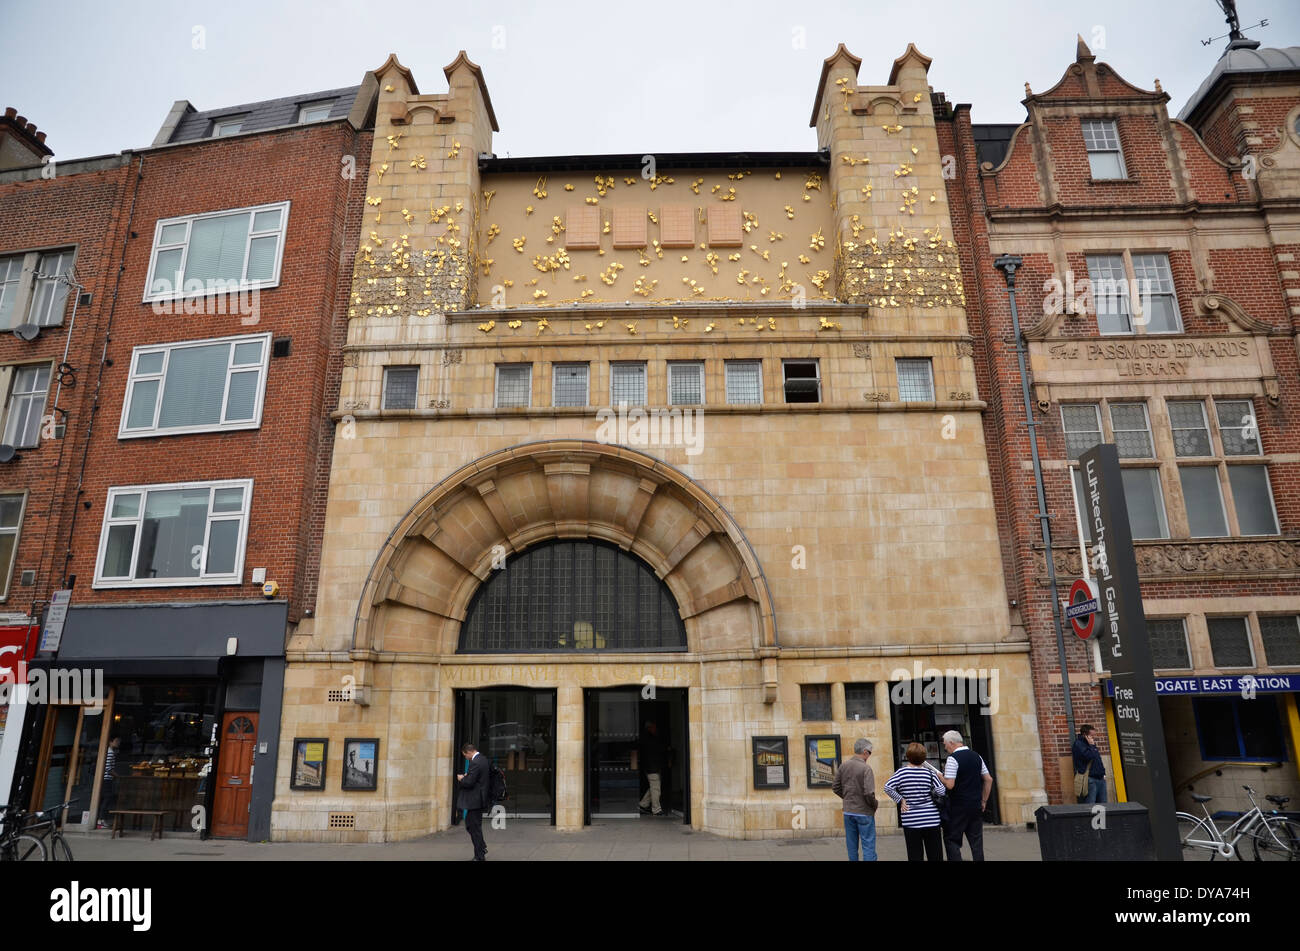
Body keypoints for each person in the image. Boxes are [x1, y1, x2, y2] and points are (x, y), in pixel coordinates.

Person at [883, 742, 946, 862]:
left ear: (908, 756)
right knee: (935, 854)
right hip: (931, 818)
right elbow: (941, 791)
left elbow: (888, 787)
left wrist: (901, 799)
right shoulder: (930, 773)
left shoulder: (901, 773)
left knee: (914, 854)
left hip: (911, 819)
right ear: (923, 757)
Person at [939, 730, 992, 861]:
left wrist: (941, 777)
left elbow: (950, 785)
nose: (945, 747)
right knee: (976, 843)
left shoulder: (952, 759)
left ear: (951, 743)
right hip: (975, 804)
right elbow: (988, 779)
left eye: (945, 744)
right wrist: (984, 800)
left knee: (952, 840)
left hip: (958, 806)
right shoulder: (976, 756)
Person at [831, 738, 878, 861]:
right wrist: (874, 805)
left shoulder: (843, 766)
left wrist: (847, 798)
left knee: (851, 847)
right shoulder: (866, 768)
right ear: (864, 751)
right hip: (864, 812)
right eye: (870, 752)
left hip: (848, 812)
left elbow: (835, 787)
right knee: (868, 846)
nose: (869, 756)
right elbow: (869, 793)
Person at [456, 742, 491, 861]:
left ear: (469, 752)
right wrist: (468, 775)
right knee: (472, 826)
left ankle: (479, 855)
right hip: (478, 799)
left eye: (465, 755)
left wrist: (462, 779)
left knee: (473, 827)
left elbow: (469, 782)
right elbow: (477, 778)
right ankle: (481, 848)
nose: (465, 757)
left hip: (475, 801)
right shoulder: (483, 759)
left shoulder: (475, 762)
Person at [638, 721, 668, 816]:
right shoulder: (650, 739)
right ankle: (656, 809)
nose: (656, 729)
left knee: (654, 787)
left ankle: (643, 805)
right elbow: (657, 751)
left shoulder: (646, 738)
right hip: (652, 767)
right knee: (656, 789)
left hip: (651, 767)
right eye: (654, 727)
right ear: (649, 728)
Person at [1072, 724, 1107, 804]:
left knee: (1103, 805)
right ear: (1085, 735)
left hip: (1100, 778)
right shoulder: (1078, 744)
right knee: (1090, 806)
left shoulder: (1091, 744)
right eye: (1091, 735)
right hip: (1090, 779)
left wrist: (1103, 773)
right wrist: (1091, 746)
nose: (1093, 738)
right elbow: (1088, 756)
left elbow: (1098, 759)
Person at [96, 735, 121, 830]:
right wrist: (118, 776)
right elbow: (108, 768)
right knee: (107, 798)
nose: (118, 742)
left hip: (105, 779)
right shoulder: (110, 753)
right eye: (116, 740)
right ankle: (101, 820)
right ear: (110, 742)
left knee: (105, 799)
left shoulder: (109, 752)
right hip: (106, 779)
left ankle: (101, 820)